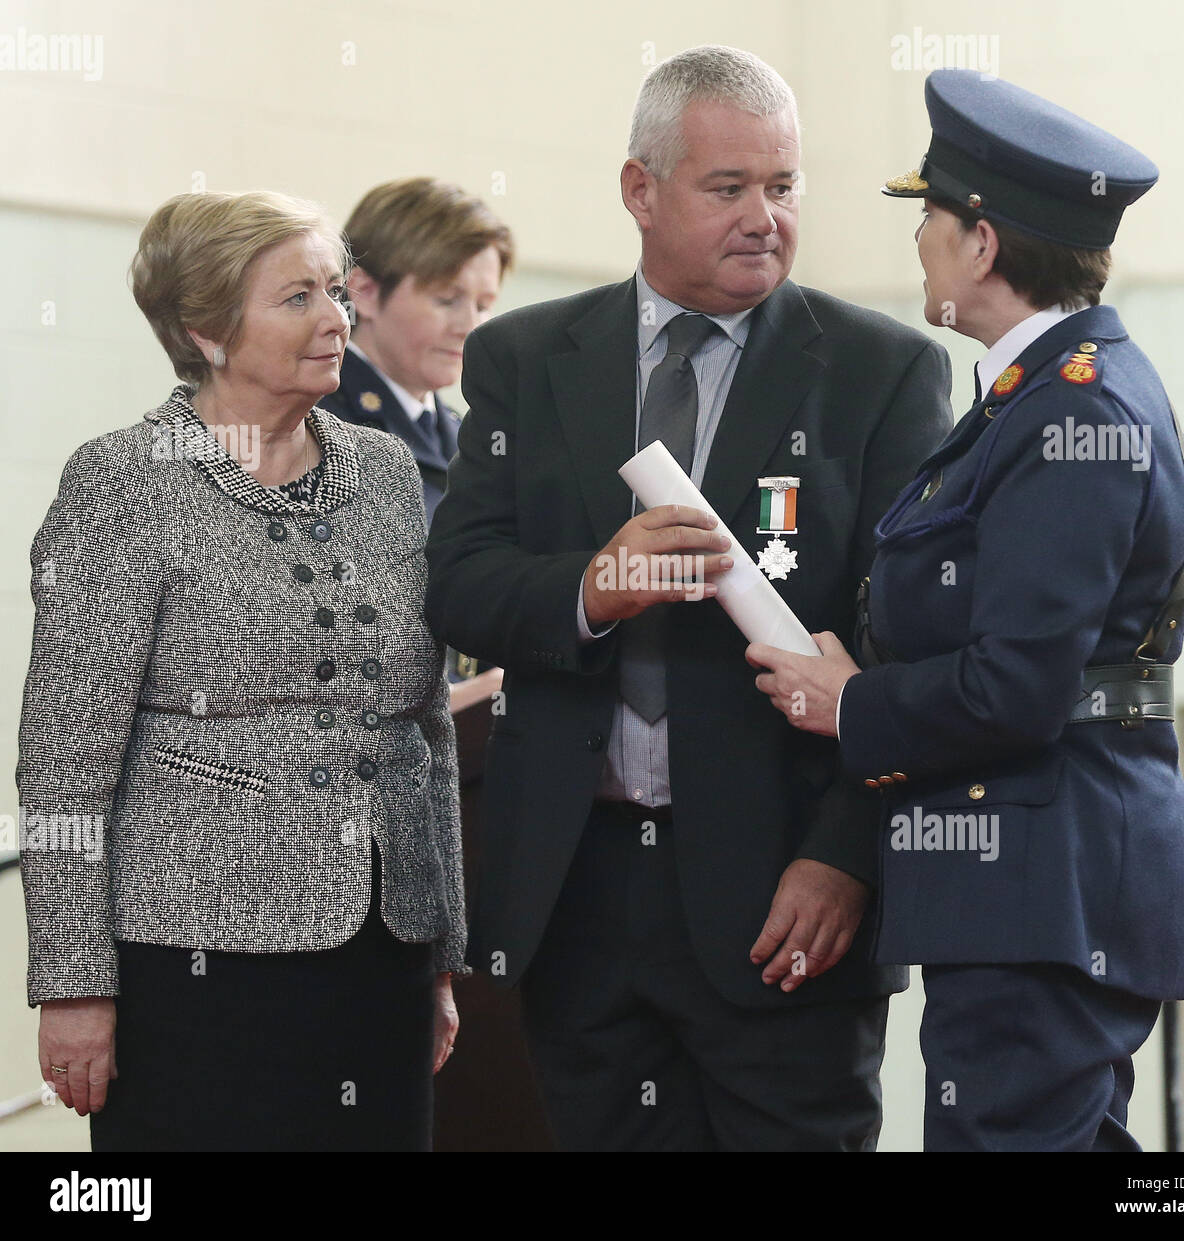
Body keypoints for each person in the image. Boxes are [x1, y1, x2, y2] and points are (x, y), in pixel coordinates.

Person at [425, 45, 951, 1151]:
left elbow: (911, 643)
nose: (764, 216)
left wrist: (845, 855)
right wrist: (591, 587)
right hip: (578, 895)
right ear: (639, 190)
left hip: (784, 896)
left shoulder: (880, 372)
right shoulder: (524, 357)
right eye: (728, 189)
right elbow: (460, 584)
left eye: (784, 185)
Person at [748, 69, 1184, 1151]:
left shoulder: (1068, 413)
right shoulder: (1043, 394)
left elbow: (1019, 683)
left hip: (1038, 886)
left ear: (982, 245)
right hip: (1037, 882)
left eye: (930, 218)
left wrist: (852, 701)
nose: (919, 245)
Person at [16, 190, 466, 1152]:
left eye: (337, 293)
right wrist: (73, 985)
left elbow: (425, 727)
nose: (337, 321)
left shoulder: (387, 473)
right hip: (196, 961)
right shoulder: (126, 481)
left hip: (384, 949)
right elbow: (62, 761)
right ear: (207, 331)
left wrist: (440, 954)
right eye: (297, 298)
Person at [321, 176, 512, 530]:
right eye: (446, 300)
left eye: (484, 305)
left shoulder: (467, 434)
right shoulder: (317, 427)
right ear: (364, 292)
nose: (470, 326)